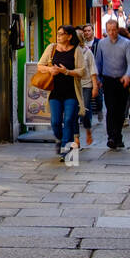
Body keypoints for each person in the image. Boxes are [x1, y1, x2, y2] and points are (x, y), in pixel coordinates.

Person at [38, 25, 85, 158]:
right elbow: (40, 65)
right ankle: (61, 139)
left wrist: (67, 72)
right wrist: (50, 70)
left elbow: (82, 71)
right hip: (55, 92)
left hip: (71, 92)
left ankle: (66, 149)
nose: (58, 36)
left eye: (62, 34)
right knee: (56, 122)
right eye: (58, 33)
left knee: (69, 119)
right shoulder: (51, 48)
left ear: (69, 36)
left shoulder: (77, 51)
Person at [93, 17, 130, 150]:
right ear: (106, 30)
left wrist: (128, 75)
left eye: (114, 30)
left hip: (122, 80)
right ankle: (112, 136)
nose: (111, 32)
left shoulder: (126, 43)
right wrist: (98, 79)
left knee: (121, 109)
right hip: (108, 79)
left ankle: (118, 136)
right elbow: (98, 62)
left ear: (118, 29)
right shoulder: (102, 44)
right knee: (110, 108)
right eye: (109, 30)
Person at [75, 28, 100, 148]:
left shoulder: (87, 52)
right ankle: (76, 138)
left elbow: (93, 70)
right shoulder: (70, 52)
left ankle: (88, 130)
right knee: (73, 113)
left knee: (84, 111)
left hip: (86, 85)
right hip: (74, 85)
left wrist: (95, 86)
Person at [83, 23, 104, 122]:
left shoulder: (99, 43)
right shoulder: (81, 44)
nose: (87, 32)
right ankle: (88, 118)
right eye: (85, 31)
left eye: (89, 30)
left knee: (98, 97)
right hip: (85, 75)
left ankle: (99, 109)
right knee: (86, 99)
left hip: (97, 74)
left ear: (93, 31)